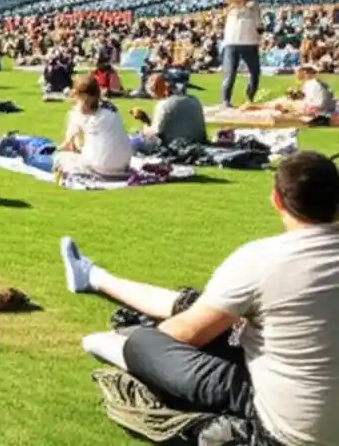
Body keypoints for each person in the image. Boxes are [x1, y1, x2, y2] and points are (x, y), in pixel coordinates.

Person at [60, 151, 339, 446]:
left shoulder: (262, 259)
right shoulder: (267, 264)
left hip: (286, 429)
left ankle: (104, 340)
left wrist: (154, 341)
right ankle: (95, 278)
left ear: (276, 200)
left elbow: (183, 335)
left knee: (148, 342)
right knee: (198, 307)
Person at [55, 76, 132, 178]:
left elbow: (67, 143)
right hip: (123, 164)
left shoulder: (80, 112)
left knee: (59, 158)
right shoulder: (110, 108)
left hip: (99, 166)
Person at [131, 74, 207, 146]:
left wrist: (145, 128)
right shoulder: (194, 100)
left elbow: (156, 132)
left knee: (135, 139)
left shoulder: (164, 104)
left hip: (173, 147)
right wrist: (146, 120)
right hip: (198, 143)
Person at [221, 0, 263, 108]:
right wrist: (260, 32)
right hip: (248, 42)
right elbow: (259, 25)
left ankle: (226, 101)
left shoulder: (231, 6)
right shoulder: (253, 5)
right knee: (253, 72)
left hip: (231, 42)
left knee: (230, 73)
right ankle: (249, 98)